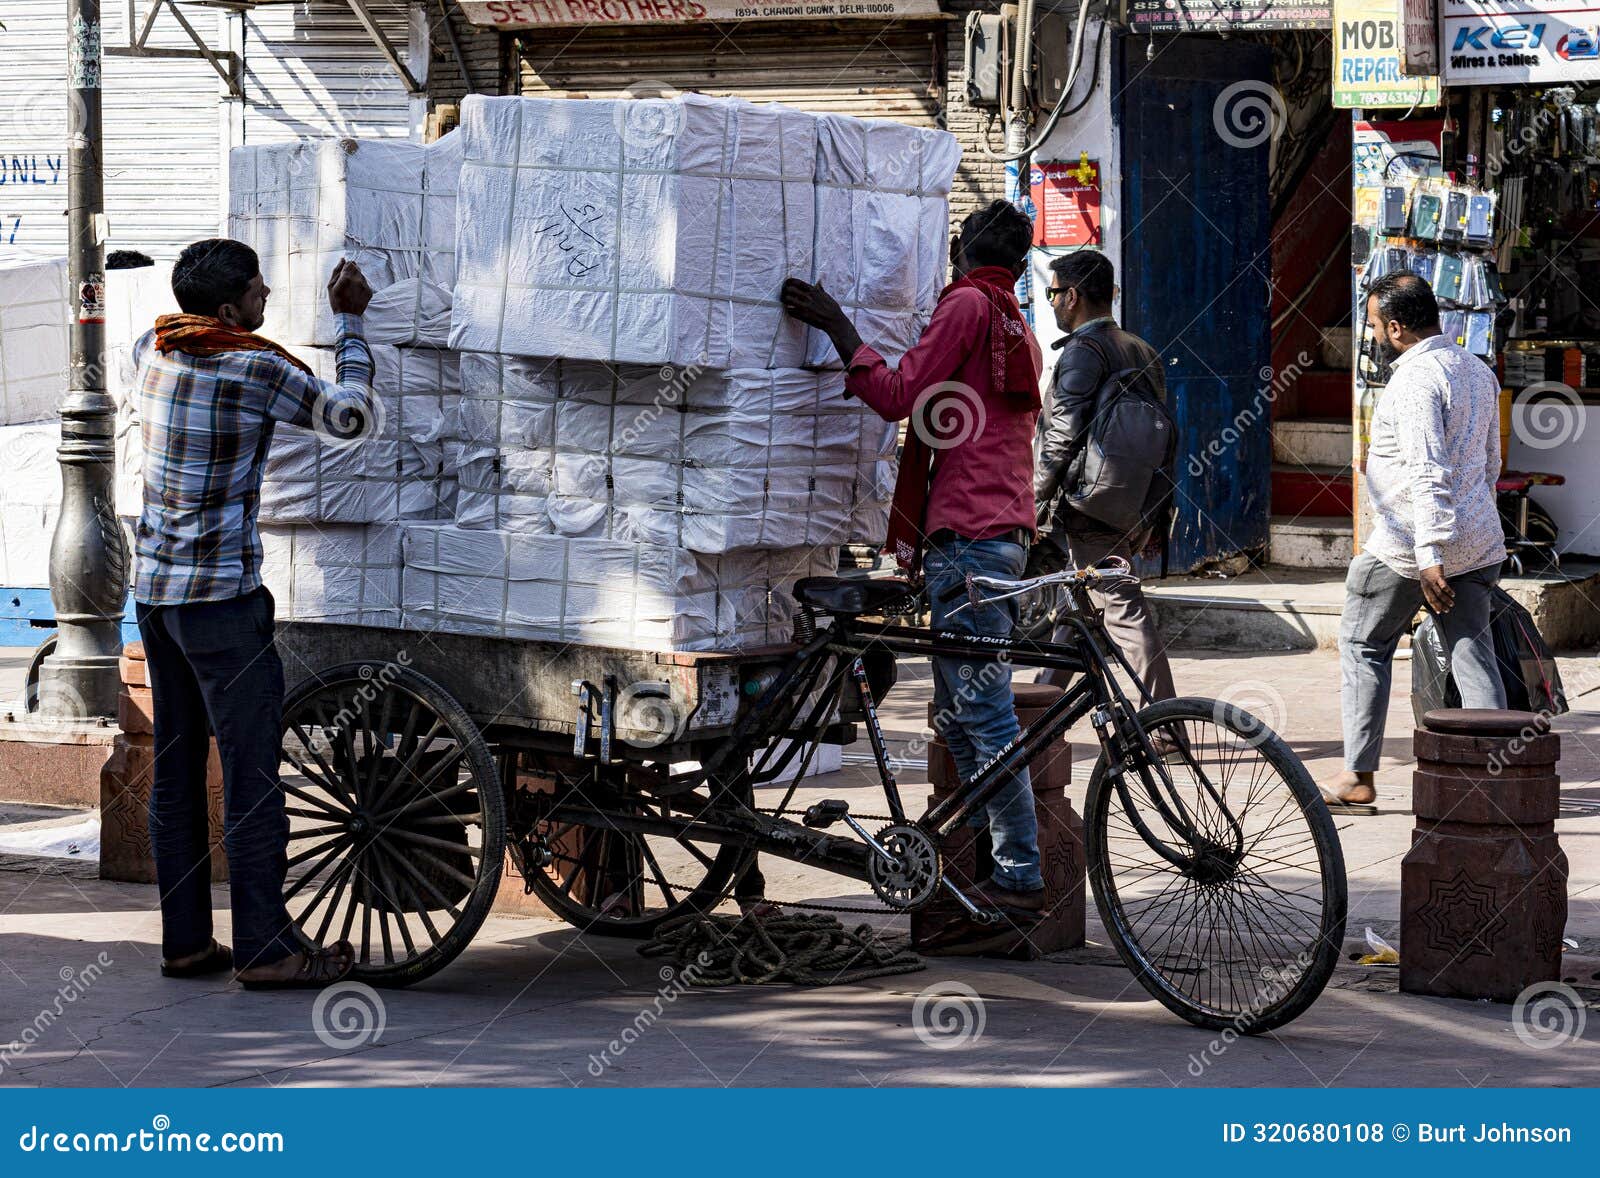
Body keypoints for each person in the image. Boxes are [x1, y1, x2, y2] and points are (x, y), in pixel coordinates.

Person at [781, 199, 1046, 917]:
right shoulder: (1014, 321)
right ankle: (978, 859)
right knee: (961, 714)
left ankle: (1018, 875)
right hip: (995, 533)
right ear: (1019, 265)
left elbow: (900, 396)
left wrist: (839, 326)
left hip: (969, 539)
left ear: (960, 250)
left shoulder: (966, 305)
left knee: (983, 713)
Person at [137, 239, 376, 987]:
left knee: (176, 768)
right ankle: (268, 949)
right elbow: (350, 420)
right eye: (258, 291)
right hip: (222, 605)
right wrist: (351, 325)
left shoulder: (152, 346)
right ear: (228, 308)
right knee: (250, 773)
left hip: (155, 597)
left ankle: (185, 943)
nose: (267, 297)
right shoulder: (254, 367)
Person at [1321, 272, 1506, 814]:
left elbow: (1428, 472)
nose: (1375, 335)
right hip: (1476, 541)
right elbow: (1491, 464)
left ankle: (1358, 776)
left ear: (1396, 327)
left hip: (1409, 549)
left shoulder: (1413, 381)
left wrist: (1430, 556)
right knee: (1473, 655)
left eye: (1376, 326)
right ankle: (1496, 781)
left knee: (1362, 645)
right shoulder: (1476, 371)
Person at [1033, 250, 1177, 703]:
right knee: (1075, 614)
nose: (1053, 301)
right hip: (1128, 502)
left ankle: (1167, 726)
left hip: (1085, 504)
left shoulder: (1083, 350)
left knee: (1121, 608)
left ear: (1072, 296)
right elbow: (1163, 440)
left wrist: (1031, 500)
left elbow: (1062, 434)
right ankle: (1038, 714)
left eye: (1053, 292)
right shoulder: (1142, 349)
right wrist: (1153, 513)